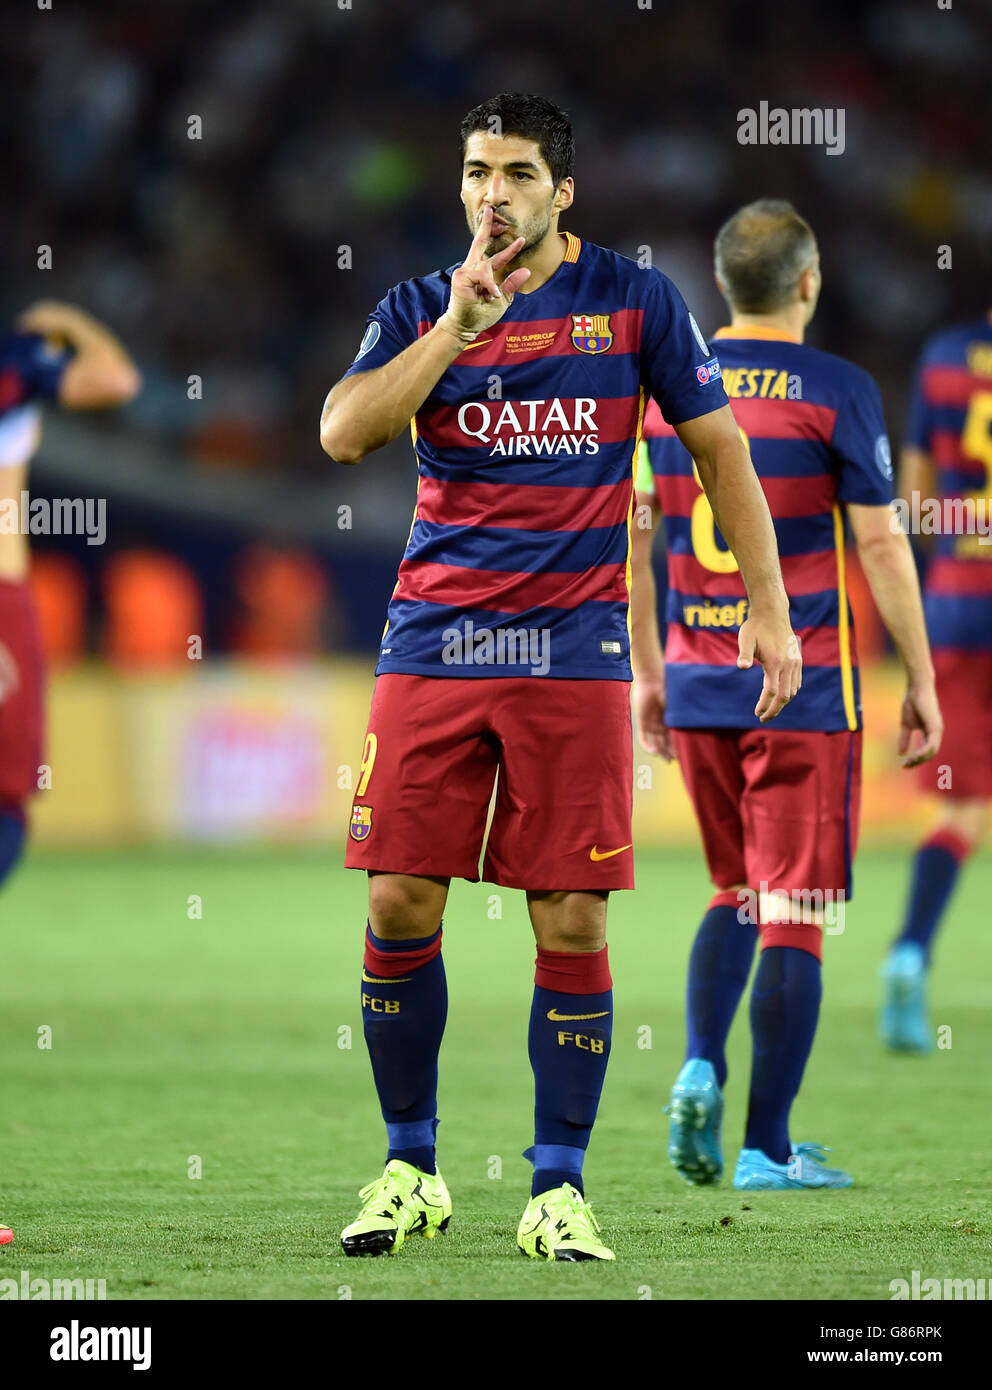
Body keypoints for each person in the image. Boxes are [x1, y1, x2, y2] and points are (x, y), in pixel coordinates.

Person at [320, 97, 801, 1259]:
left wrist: (770, 613)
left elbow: (720, 448)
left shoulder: (634, 302)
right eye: (477, 169)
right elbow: (342, 432)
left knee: (573, 912)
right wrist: (451, 332)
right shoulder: (413, 305)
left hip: (572, 653)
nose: (493, 193)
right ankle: (409, 1166)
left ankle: (556, 1186)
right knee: (397, 899)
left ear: (562, 191)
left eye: (519, 173)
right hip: (433, 639)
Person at [631, 199, 941, 1191]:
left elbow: (631, 544)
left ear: (723, 285)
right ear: (806, 283)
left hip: (694, 680)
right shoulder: (838, 389)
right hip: (799, 689)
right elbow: (880, 540)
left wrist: (643, 673)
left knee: (731, 892)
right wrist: (921, 674)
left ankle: (694, 1061)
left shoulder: (661, 388)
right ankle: (765, 1148)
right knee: (792, 908)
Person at [0, 299, 141, 1245]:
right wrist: (63, 320)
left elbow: (118, 382)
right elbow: (112, 377)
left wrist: (56, 323)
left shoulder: (16, 366)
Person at [879, 310, 992, 1051]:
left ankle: (910, 951)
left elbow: (914, 496)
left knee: (959, 809)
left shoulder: (946, 353)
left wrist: (961, 546)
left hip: (958, 599)